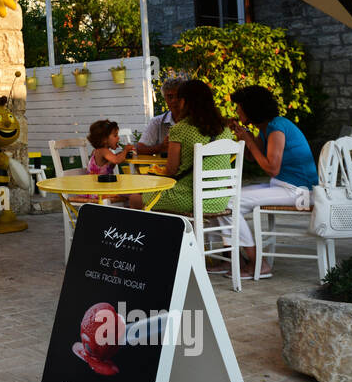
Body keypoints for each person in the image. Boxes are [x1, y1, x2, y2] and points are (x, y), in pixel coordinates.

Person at [228, 85, 319, 277]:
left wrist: (250, 142)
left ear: (252, 109)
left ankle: (258, 264)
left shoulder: (277, 128)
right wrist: (245, 138)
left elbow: (271, 168)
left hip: (299, 191)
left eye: (239, 107)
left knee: (229, 203)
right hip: (284, 186)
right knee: (227, 199)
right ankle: (238, 259)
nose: (236, 111)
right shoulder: (267, 128)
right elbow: (254, 157)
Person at [130, 80, 236, 222]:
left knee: (135, 198)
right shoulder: (224, 129)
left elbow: (171, 170)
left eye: (178, 98)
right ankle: (179, 237)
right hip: (220, 199)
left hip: (190, 199)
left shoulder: (180, 129)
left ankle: (156, 241)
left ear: (185, 101)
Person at [136, 77, 186, 156]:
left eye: (178, 96)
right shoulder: (157, 122)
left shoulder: (195, 121)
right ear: (165, 99)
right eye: (170, 97)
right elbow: (139, 149)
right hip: (163, 168)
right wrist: (161, 147)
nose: (174, 100)